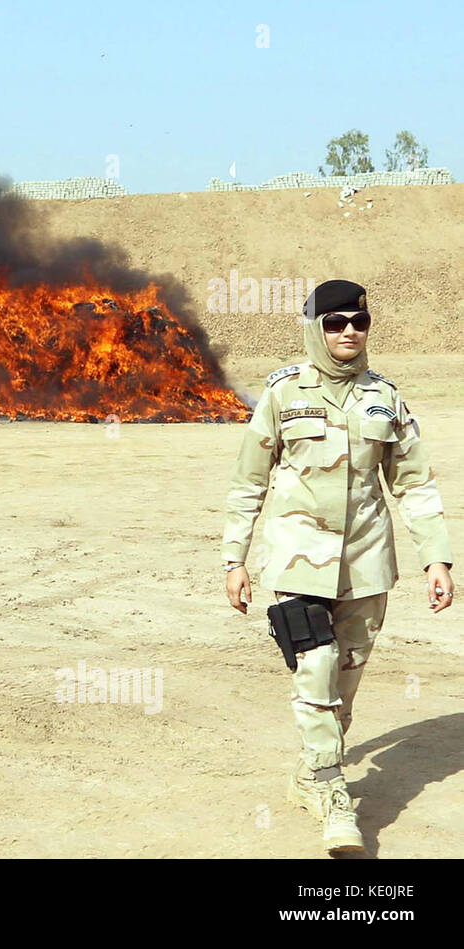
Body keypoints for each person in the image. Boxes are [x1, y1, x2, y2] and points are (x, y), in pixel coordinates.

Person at [220, 278, 454, 855]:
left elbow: (415, 484)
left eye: (359, 321)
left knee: (343, 684)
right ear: (314, 328)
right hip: (297, 561)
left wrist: (437, 558)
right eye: (334, 322)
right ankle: (332, 794)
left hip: (367, 565)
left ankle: (311, 766)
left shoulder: (386, 398)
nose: (348, 331)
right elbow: (249, 481)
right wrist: (235, 557)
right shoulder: (282, 393)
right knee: (316, 672)